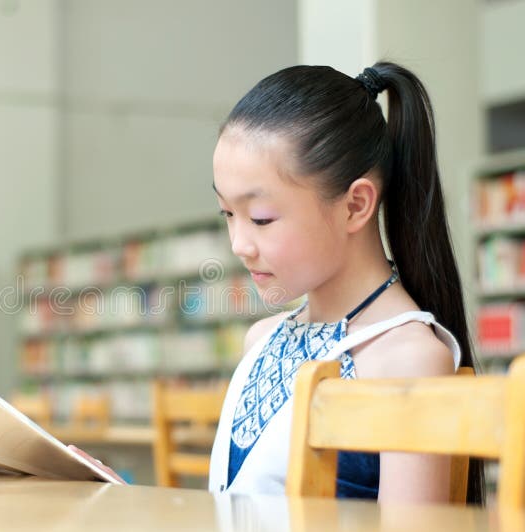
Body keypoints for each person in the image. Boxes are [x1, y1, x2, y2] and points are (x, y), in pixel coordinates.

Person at [207, 62, 484, 504]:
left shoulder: (407, 359)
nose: (239, 244)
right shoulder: (260, 340)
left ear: (355, 205)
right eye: (228, 214)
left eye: (260, 218)